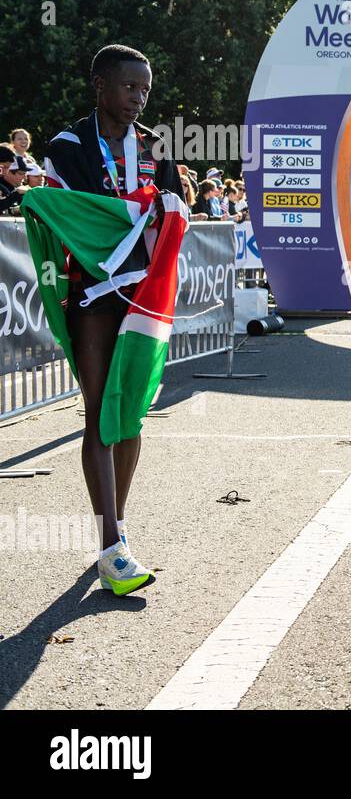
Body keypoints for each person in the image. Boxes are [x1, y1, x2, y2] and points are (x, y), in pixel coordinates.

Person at [32, 44, 185, 596]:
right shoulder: (69, 145)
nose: (139, 98)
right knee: (100, 415)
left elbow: (174, 206)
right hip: (91, 294)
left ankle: (114, 534)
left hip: (142, 294)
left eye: (146, 89)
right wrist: (136, 211)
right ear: (100, 85)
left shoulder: (154, 145)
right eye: (129, 87)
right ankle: (112, 545)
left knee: (131, 415)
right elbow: (76, 213)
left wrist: (165, 207)